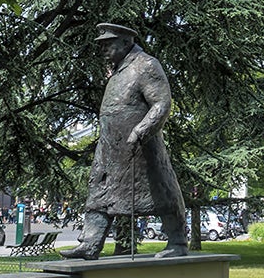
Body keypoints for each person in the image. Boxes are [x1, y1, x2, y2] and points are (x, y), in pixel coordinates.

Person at [64, 23, 189, 260]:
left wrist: (141, 131)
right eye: (101, 45)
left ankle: (178, 242)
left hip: (140, 147)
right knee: (99, 190)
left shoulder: (146, 65)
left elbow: (161, 103)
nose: (103, 49)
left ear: (125, 42)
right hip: (110, 147)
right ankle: (90, 243)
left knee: (161, 190)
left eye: (107, 44)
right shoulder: (119, 70)